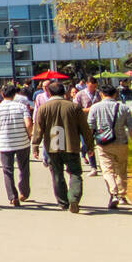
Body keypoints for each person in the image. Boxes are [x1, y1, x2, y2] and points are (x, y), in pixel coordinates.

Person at [31, 81, 95, 213]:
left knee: (57, 175)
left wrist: (35, 145)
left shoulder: (44, 108)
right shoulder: (74, 107)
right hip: (71, 144)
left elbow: (38, 129)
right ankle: (74, 198)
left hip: (53, 146)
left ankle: (63, 202)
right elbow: (85, 128)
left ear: (49, 92)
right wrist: (89, 146)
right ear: (64, 92)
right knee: (75, 173)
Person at [87, 84, 132, 208]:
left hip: (103, 144)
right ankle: (121, 195)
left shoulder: (95, 108)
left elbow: (90, 127)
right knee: (121, 169)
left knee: (107, 170)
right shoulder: (124, 108)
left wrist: (89, 146)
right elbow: (131, 128)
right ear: (115, 94)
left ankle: (113, 192)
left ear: (101, 94)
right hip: (121, 143)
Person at [0, 84, 33, 207]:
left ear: (2, 95)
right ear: (15, 94)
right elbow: (29, 123)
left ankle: (12, 196)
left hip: (4, 143)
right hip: (22, 142)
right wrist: (29, 135)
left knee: (7, 171)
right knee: (24, 168)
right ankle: (24, 192)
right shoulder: (22, 107)